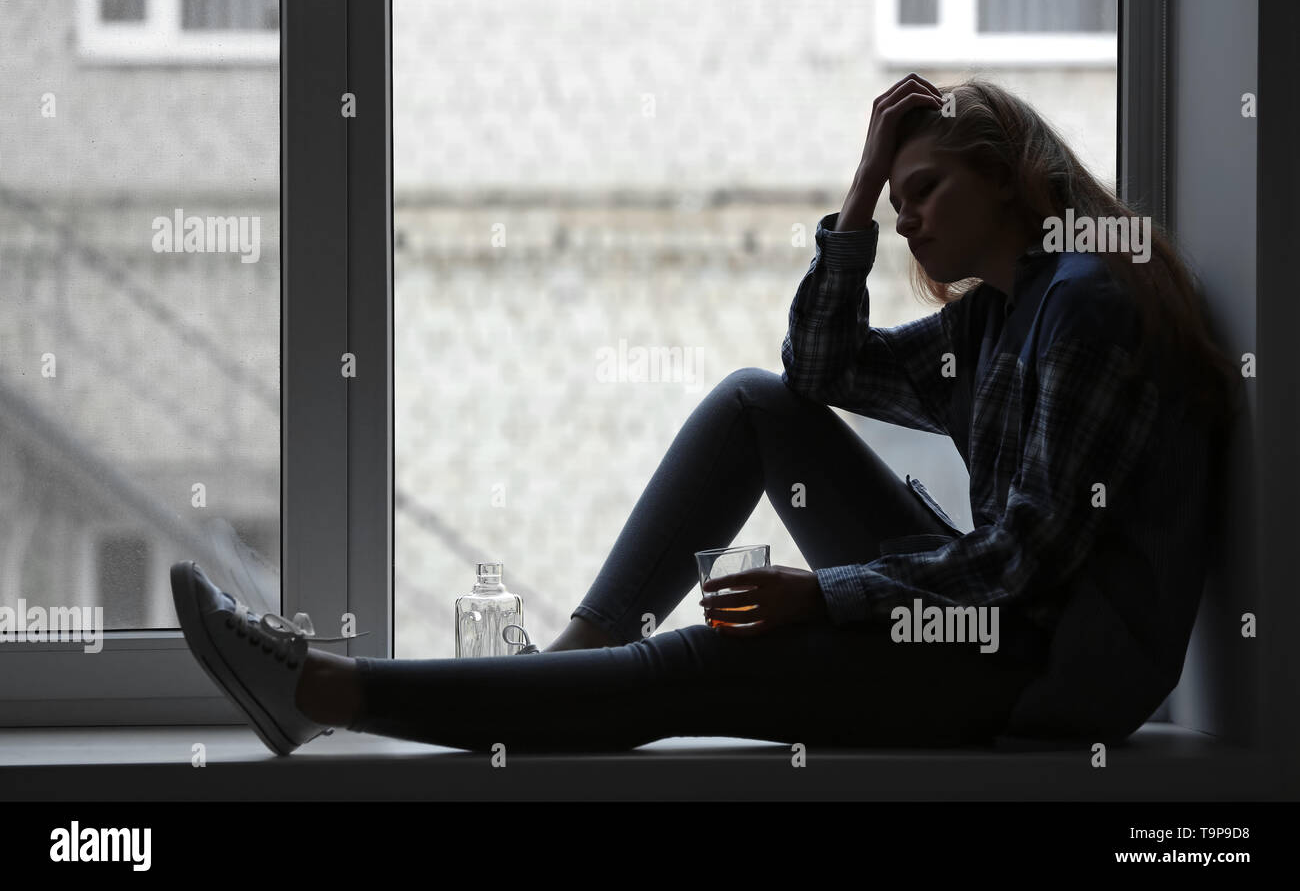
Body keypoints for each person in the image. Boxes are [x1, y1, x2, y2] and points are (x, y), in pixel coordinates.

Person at [171, 74, 1241, 757]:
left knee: (694, 664)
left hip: (1036, 673)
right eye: (899, 199)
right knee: (752, 403)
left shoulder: (1087, 304)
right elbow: (814, 369)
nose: (909, 220)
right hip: (985, 618)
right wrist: (858, 194)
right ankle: (561, 673)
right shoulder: (999, 316)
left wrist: (821, 597)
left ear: (1009, 184)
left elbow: (1030, 556)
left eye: (925, 192)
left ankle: (323, 687)